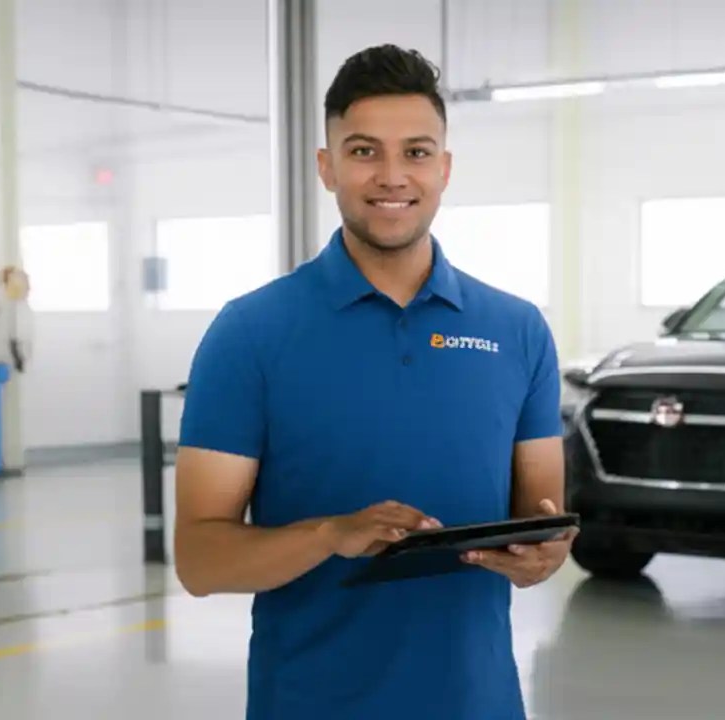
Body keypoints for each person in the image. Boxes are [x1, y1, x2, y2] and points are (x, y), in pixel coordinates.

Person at [173, 44, 573, 719]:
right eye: (364, 151)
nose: (392, 176)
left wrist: (544, 557)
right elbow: (200, 560)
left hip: (479, 704)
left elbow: (540, 520)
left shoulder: (518, 330)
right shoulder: (251, 332)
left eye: (416, 152)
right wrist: (330, 535)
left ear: (444, 168)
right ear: (327, 167)